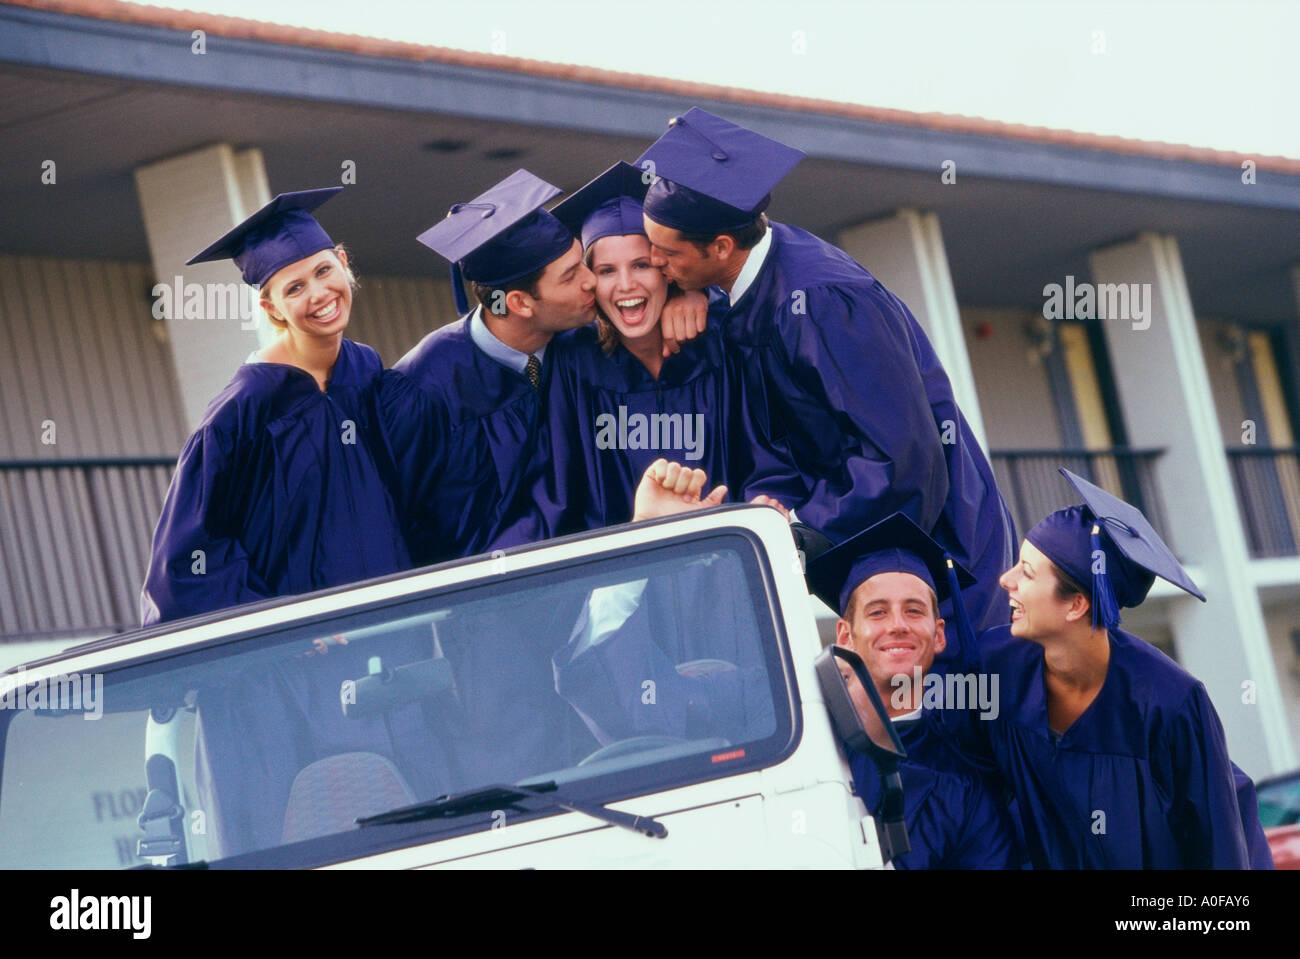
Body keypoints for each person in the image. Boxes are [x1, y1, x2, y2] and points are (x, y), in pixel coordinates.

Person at [635, 108, 1016, 635]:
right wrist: (689, 287)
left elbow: (901, 457)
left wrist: (801, 526)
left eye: (665, 252)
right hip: (885, 550)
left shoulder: (824, 301)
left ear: (722, 247)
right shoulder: (760, 272)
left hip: (943, 561)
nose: (653, 262)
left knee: (953, 705)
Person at [945, 467, 1272, 868]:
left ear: (1076, 604)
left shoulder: (1168, 701)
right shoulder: (995, 668)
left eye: (1027, 573)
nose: (1005, 580)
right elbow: (966, 777)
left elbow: (1217, 842)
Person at [140, 188, 409, 625]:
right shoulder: (243, 410)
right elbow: (186, 559)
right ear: (271, 307)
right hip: (309, 651)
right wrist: (274, 621)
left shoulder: (364, 369)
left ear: (343, 261)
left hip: (395, 620)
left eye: (324, 270)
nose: (320, 293)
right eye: (295, 287)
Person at [373, 169, 598, 565]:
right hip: (485, 599)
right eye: (571, 276)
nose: (592, 281)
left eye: (583, 262)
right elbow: (396, 524)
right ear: (519, 304)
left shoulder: (583, 344)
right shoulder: (424, 389)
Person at [805, 512, 1021, 869]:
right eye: (877, 613)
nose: (898, 625)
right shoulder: (805, 735)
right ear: (845, 636)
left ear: (939, 635)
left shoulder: (968, 771)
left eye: (914, 610)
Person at [543, 161, 729, 533]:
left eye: (642, 265)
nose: (625, 284)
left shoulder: (721, 341)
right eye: (607, 270)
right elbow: (563, 487)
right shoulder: (572, 361)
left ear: (666, 269)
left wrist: (703, 292)